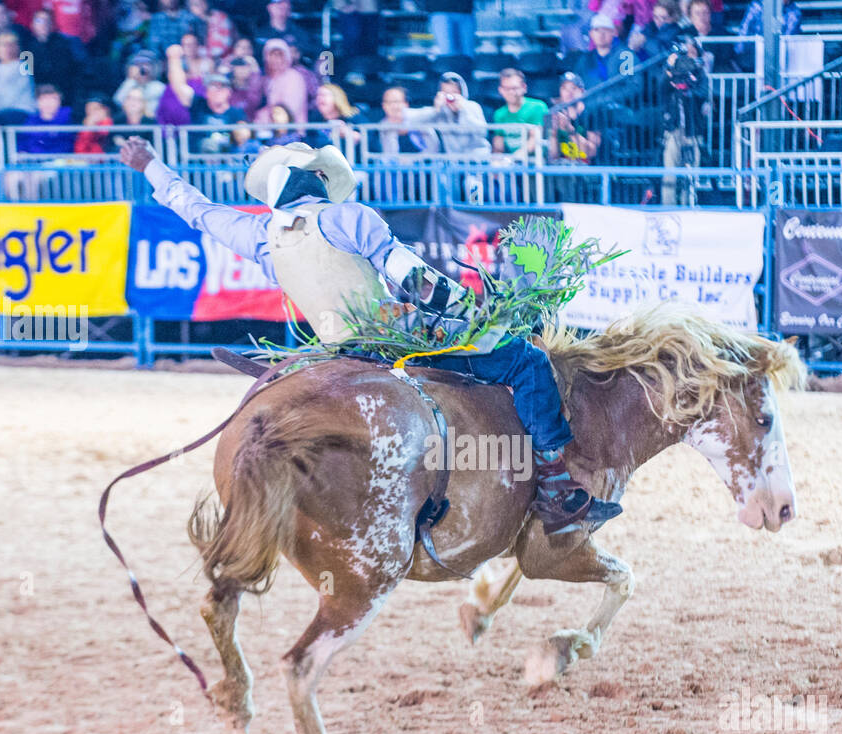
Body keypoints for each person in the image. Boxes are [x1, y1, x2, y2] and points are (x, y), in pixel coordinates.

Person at [116, 136, 623, 535]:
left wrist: (150, 167)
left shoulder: (262, 237)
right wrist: (466, 307)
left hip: (332, 351)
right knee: (525, 361)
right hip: (393, 338)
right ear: (313, 176)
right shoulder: (348, 216)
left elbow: (198, 211)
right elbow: (414, 278)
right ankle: (556, 484)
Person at [166, 44, 245, 153]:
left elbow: (244, 135)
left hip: (227, 165)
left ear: (229, 92)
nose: (217, 90)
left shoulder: (236, 113)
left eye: (221, 86)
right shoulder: (198, 105)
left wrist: (242, 134)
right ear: (206, 92)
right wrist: (174, 59)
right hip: (200, 166)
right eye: (212, 86)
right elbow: (179, 86)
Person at [661, 27, 709, 205]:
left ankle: (688, 206)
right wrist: (670, 69)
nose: (688, 55)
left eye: (692, 51)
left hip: (693, 129)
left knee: (691, 172)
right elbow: (662, 90)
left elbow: (702, 94)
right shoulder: (671, 73)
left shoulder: (700, 75)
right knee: (670, 172)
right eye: (685, 52)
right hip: (672, 129)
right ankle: (667, 207)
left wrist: (688, 87)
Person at [403, 71, 490, 156]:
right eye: (446, 93)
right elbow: (412, 120)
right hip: (454, 161)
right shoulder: (440, 111)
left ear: (461, 92)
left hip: (477, 159)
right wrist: (435, 110)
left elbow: (482, 132)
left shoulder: (473, 106)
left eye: (454, 93)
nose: (450, 97)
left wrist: (462, 111)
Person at [0, 29, 35, 124]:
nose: (5, 49)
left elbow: (7, 93)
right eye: (1, 45)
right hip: (0, 111)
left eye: (9, 46)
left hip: (19, 110)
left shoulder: (22, 66)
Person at [492, 68, 548, 157]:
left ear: (524, 88)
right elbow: (498, 145)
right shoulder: (499, 114)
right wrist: (497, 161)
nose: (511, 92)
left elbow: (535, 139)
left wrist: (512, 160)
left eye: (514, 88)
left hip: (535, 163)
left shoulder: (537, 107)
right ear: (500, 90)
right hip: (512, 164)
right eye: (506, 88)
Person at [371, 85, 438, 155]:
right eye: (389, 102)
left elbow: (435, 112)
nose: (394, 106)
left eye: (397, 101)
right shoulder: (382, 127)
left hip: (428, 162)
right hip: (397, 164)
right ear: (383, 106)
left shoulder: (418, 116)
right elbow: (387, 155)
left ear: (406, 104)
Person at [735, 0, 799, 72]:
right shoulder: (756, 6)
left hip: (778, 58)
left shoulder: (794, 13)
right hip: (753, 54)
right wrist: (739, 50)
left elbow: (788, 37)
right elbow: (745, 28)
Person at [259, 36, 307, 123]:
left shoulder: (294, 77)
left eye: (279, 55)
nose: (275, 59)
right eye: (271, 55)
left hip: (292, 132)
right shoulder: (266, 79)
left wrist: (263, 115)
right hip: (269, 132)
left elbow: (289, 110)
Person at [570, 12, 626, 87]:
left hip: (618, 98)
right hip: (591, 98)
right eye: (597, 30)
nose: (601, 34)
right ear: (591, 34)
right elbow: (575, 85)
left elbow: (633, 85)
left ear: (614, 33)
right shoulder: (585, 59)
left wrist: (607, 98)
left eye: (605, 30)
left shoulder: (625, 55)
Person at [19, 82, 73, 155]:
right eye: (44, 99)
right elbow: (23, 145)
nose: (49, 103)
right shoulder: (30, 121)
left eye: (53, 99)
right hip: (36, 163)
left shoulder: (68, 117)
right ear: (37, 102)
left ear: (60, 101)